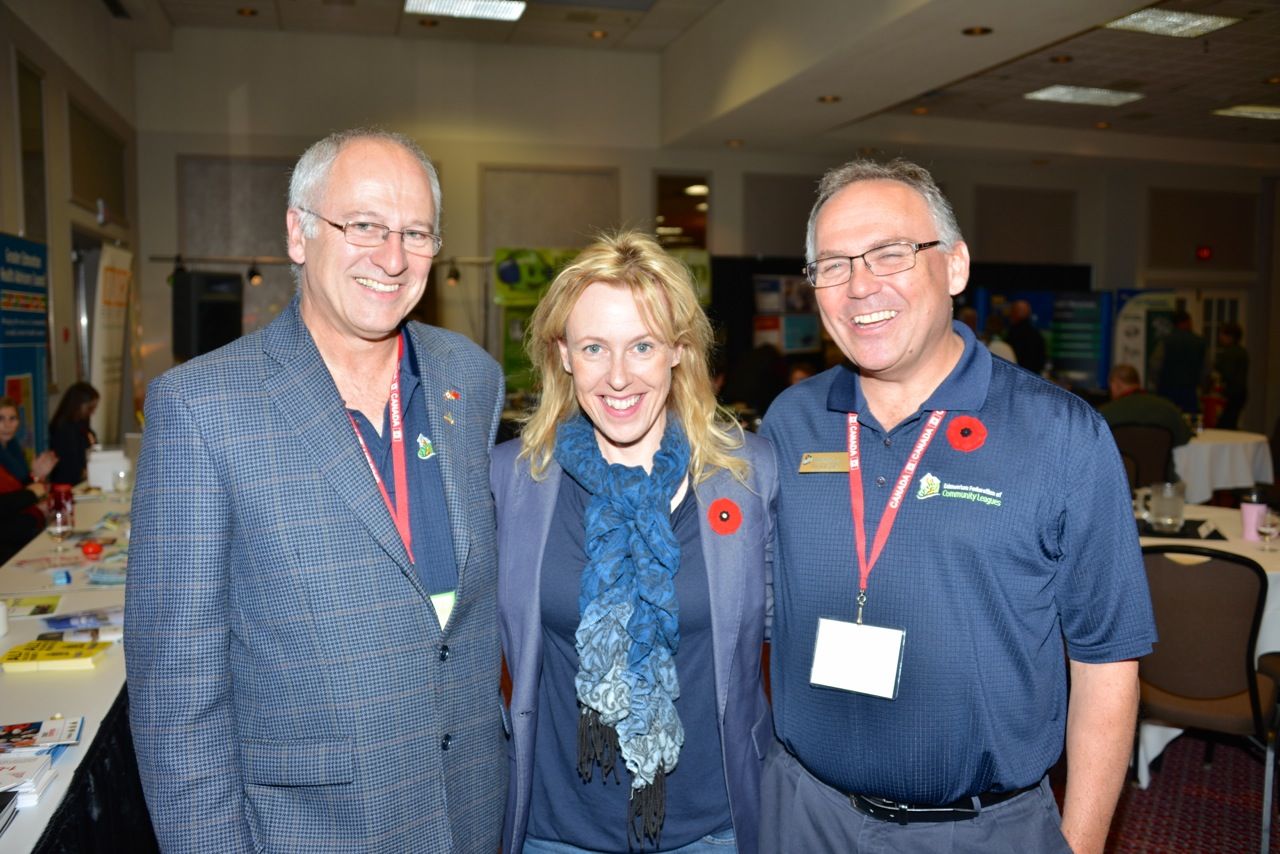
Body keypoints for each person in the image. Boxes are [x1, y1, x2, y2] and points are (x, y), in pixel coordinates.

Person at [126, 129, 507, 853]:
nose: (392, 258)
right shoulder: (201, 408)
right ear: (298, 234)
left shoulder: (471, 377)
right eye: (364, 225)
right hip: (312, 829)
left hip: (471, 810)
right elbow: (177, 698)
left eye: (416, 233)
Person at [760, 158, 1155, 854]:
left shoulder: (1060, 434)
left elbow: (1107, 661)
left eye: (890, 253)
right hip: (803, 816)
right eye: (833, 265)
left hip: (981, 831)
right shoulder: (791, 422)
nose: (860, 285)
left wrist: (1082, 844)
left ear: (956, 266)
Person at [493, 231, 776, 854]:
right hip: (555, 833)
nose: (618, 377)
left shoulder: (749, 475)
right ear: (564, 354)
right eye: (594, 347)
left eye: (642, 345)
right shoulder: (513, 481)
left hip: (713, 830)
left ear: (679, 350)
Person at [0, 397, 56, 562]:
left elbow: (22, 487)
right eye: (1, 419)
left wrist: (37, 476)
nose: (8, 425)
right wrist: (33, 495)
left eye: (12, 418)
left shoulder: (13, 449)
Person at [1100, 364, 1191, 448]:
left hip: (1122, 460)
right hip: (1158, 460)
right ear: (1138, 382)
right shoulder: (1169, 409)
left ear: (1115, 385)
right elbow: (1185, 438)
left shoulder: (1105, 414)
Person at [1150, 309, 1206, 414]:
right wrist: (1202, 385)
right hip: (1190, 391)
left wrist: (1157, 384)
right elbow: (1206, 369)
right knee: (1189, 419)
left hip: (1166, 390)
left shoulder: (1165, 342)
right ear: (1188, 322)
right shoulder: (1199, 343)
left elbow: (1155, 366)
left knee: (1167, 417)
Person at [47, 381, 98, 485]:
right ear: (78, 405)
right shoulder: (63, 429)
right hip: (67, 483)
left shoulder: (83, 425)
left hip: (80, 480)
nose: (93, 412)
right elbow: (69, 465)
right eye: (90, 408)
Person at [1212, 321, 1248, 429]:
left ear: (1230, 337)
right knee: (1231, 422)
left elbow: (1227, 374)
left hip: (1231, 394)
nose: (1220, 338)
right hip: (1239, 393)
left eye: (1222, 334)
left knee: (1224, 424)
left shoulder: (1230, 353)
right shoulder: (1242, 352)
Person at [1004, 299, 1046, 374]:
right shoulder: (1036, 334)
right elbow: (1041, 361)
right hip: (1033, 376)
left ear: (1014, 313)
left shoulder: (1012, 334)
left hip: (1014, 375)